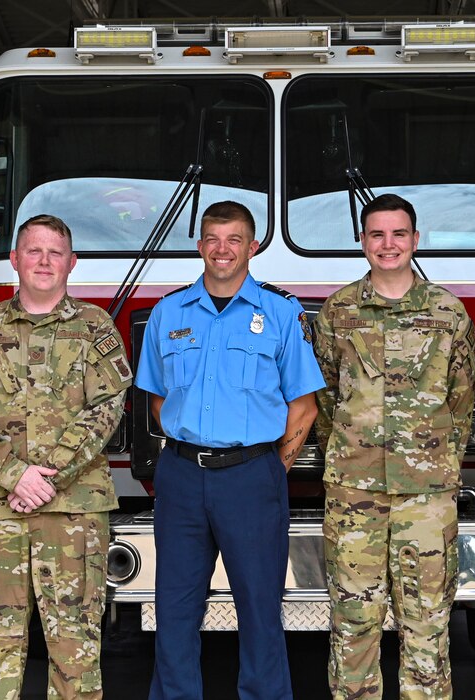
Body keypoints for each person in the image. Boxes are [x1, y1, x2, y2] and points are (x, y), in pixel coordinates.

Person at [135, 201, 325, 700]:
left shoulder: (281, 314)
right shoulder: (167, 313)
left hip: (252, 477)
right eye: (213, 239)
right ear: (200, 246)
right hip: (180, 476)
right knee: (174, 609)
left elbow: (303, 407)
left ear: (252, 247)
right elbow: (158, 399)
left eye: (234, 239)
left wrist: (267, 468)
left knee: (260, 610)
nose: (223, 250)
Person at [0, 214, 132, 699]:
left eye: (55, 252)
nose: (44, 261)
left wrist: (47, 477)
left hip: (74, 512)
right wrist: (14, 475)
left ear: (72, 263)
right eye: (34, 250)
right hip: (0, 508)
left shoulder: (95, 328)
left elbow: (106, 408)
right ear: (14, 260)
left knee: (75, 646)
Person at [313, 193, 475, 699]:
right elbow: (323, 396)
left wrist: (437, 465)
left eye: (398, 234)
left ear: (415, 240)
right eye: (377, 234)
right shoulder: (337, 311)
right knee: (353, 621)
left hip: (426, 496)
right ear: (362, 241)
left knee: (426, 623)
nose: (388, 244)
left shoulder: (449, 313)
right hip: (353, 494)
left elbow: (463, 397)